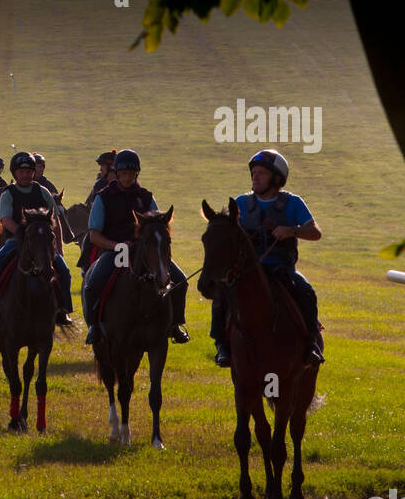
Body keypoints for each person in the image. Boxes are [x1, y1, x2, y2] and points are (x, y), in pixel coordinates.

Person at [210, 151, 323, 367]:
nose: (255, 177)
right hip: (247, 271)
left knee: (306, 291)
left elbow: (315, 232)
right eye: (253, 173)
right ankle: (222, 345)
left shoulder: (293, 203)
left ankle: (311, 345)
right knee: (221, 295)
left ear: (277, 178)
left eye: (261, 173)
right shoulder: (241, 203)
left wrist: (292, 231)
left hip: (281, 268)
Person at [82, 150, 190, 345]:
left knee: (181, 281)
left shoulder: (146, 197)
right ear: (116, 173)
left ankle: (175, 325)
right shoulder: (103, 197)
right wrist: (116, 245)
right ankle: (94, 327)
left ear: (136, 175)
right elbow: (94, 235)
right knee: (92, 284)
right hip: (117, 252)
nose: (127, 178)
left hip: (147, 253)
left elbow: (159, 224)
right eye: (123, 173)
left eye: (131, 174)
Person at [0, 152, 73, 326]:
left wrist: (59, 247)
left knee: (64, 271)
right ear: (15, 173)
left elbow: (55, 222)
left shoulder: (42, 192)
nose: (25, 174)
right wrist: (25, 234)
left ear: (33, 172)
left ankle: (63, 309)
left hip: (43, 244)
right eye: (21, 171)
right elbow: (6, 220)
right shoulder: (8, 193)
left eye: (29, 171)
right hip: (16, 241)